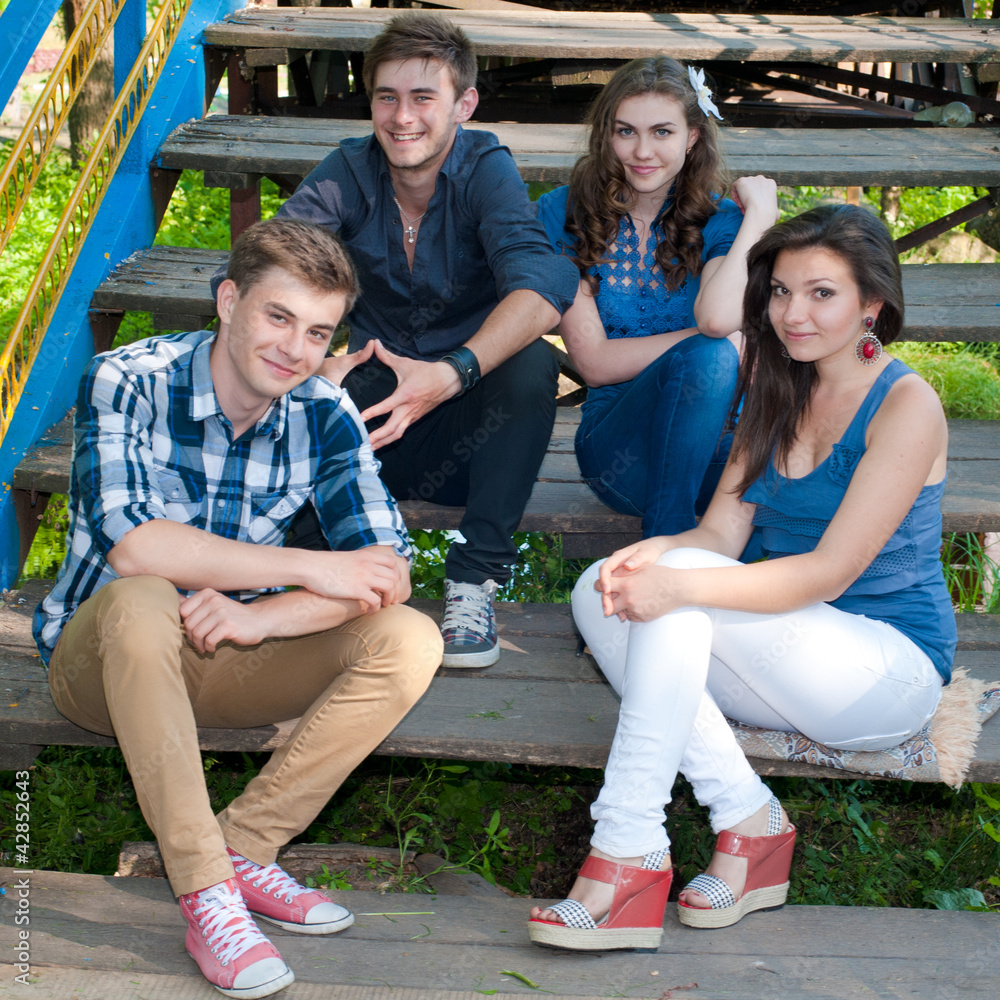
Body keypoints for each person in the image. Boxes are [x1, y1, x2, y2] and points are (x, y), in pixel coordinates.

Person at [527, 204, 956, 951]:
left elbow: (828, 572)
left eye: (822, 293)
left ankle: (626, 850)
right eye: (782, 291)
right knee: (603, 585)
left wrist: (683, 581)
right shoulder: (776, 392)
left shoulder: (907, 404)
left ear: (872, 305)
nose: (794, 313)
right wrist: (651, 562)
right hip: (781, 656)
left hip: (885, 672)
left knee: (680, 586)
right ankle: (749, 822)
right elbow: (720, 534)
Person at [35, 218, 443, 998]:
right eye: (277, 316)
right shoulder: (129, 379)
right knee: (144, 596)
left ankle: (247, 849)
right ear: (228, 301)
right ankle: (207, 893)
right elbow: (135, 546)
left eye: (318, 330)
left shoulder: (323, 411)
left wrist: (266, 616)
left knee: (408, 636)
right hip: (106, 664)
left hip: (232, 653)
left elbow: (386, 570)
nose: (294, 347)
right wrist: (307, 567)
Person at [269, 12, 580, 667]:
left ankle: (471, 583)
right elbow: (270, 262)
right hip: (376, 420)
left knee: (527, 364)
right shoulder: (350, 170)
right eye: (387, 97)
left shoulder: (484, 167)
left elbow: (542, 281)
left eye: (422, 98)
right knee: (306, 390)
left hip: (471, 440)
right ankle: (296, 579)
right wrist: (314, 355)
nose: (402, 117)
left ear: (463, 103)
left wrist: (454, 372)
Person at [536, 56, 779, 538]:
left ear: (692, 136)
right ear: (607, 134)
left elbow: (717, 315)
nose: (642, 151)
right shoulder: (564, 212)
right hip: (621, 455)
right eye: (626, 131)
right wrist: (721, 346)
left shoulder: (720, 220)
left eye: (662, 132)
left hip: (718, 452)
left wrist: (759, 219)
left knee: (782, 489)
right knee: (711, 354)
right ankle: (663, 545)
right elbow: (596, 363)